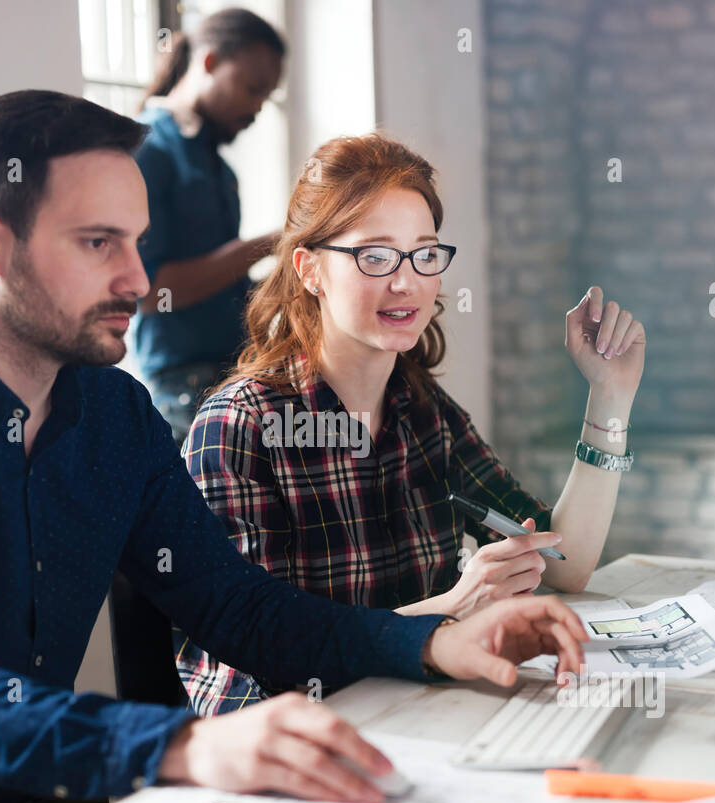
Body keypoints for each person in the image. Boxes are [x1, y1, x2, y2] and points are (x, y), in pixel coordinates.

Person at [0, 92, 590, 803]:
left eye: (138, 241)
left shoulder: (114, 415)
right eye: (98, 243)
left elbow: (240, 607)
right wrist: (181, 747)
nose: (139, 280)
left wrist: (436, 642)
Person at [177, 133, 645, 717]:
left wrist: (610, 395)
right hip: (288, 748)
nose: (408, 282)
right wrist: (452, 609)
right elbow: (264, 655)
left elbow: (564, 561)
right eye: (375, 256)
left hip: (413, 715)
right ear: (310, 270)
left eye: (425, 254)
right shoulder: (241, 426)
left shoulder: (422, 410)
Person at [132, 7, 285, 443]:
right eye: (252, 88)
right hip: (182, 390)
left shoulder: (219, 168)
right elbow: (149, 291)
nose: (257, 107)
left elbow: (221, 286)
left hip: (235, 375)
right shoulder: (148, 150)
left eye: (267, 96)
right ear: (210, 62)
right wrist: (270, 242)